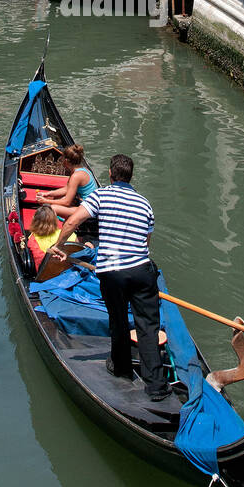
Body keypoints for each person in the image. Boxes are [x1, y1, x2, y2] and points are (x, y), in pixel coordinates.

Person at [55, 154, 167, 399]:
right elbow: (146, 244)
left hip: (112, 272)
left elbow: (73, 221)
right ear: (130, 176)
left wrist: (59, 246)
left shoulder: (101, 195)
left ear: (110, 174)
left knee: (117, 320)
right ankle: (157, 387)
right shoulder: (145, 204)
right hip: (141, 270)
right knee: (148, 326)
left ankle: (121, 368)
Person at [44, 144, 98, 219]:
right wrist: (47, 194)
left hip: (88, 211)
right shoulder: (82, 169)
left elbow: (67, 202)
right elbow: (66, 189)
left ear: (66, 161)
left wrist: (46, 201)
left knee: (52, 208)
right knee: (53, 198)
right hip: (84, 205)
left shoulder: (76, 176)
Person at [26, 205, 63, 273]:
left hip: (46, 274)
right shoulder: (67, 234)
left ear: (34, 220)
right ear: (56, 220)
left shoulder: (32, 240)